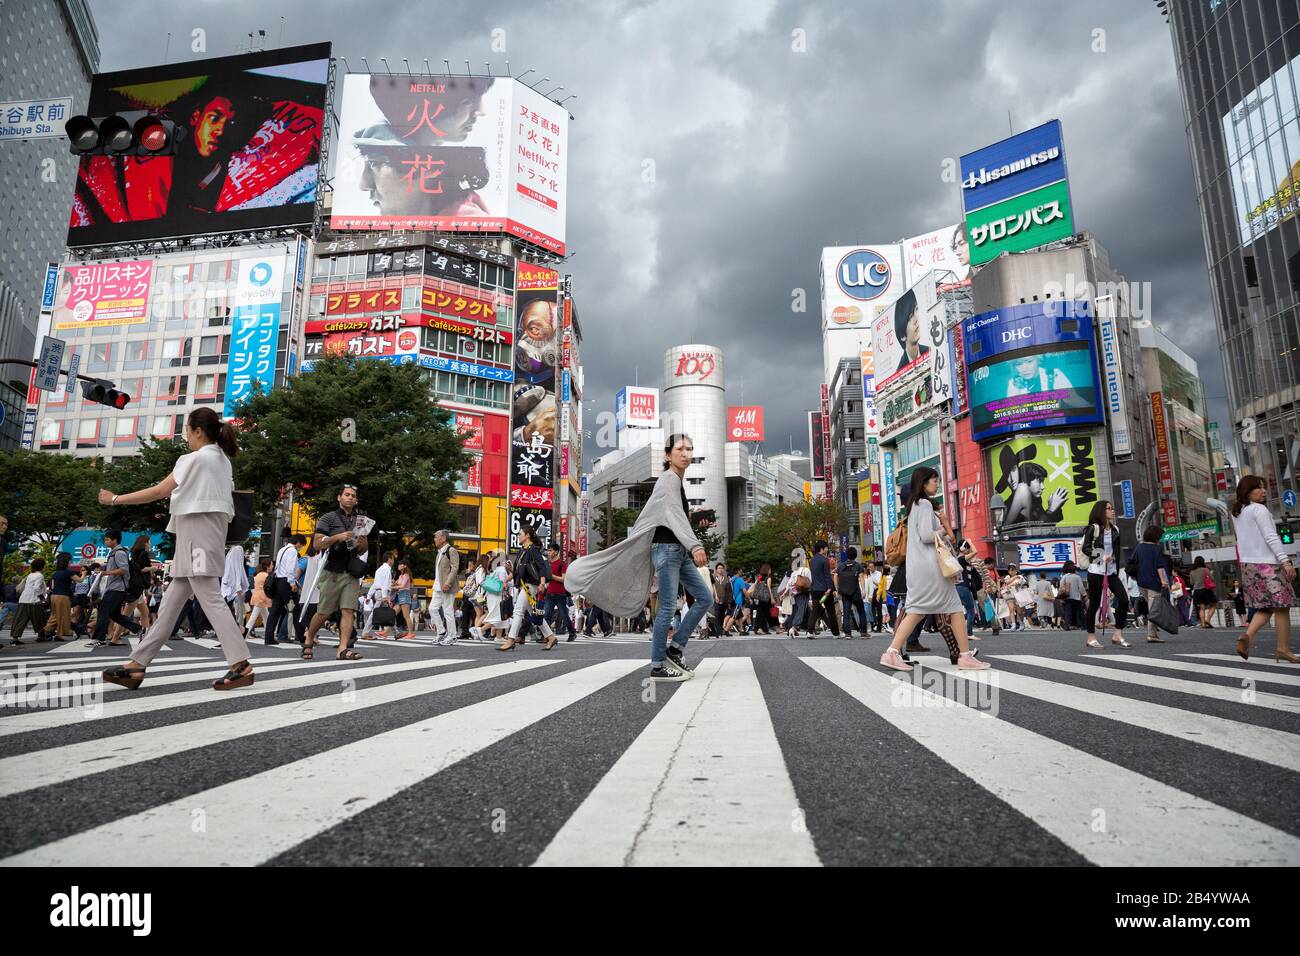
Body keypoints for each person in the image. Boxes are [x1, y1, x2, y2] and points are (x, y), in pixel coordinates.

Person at [96, 407, 255, 690]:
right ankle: (137, 664)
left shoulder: (194, 458)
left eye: (187, 433)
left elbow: (159, 491)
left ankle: (240, 663)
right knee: (171, 601)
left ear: (197, 431)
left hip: (196, 529)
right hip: (205, 529)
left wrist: (115, 499)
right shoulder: (222, 460)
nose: (186, 439)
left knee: (208, 594)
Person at [564, 433, 712, 682]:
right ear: (668, 455)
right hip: (667, 550)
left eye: (689, 449)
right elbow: (673, 515)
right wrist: (696, 545)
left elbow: (673, 517)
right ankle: (657, 665)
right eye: (680, 449)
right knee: (666, 608)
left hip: (677, 551)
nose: (686, 454)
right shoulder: (668, 479)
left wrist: (695, 520)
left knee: (705, 598)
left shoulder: (675, 481)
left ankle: (675, 649)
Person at [880, 468, 989, 671]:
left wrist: (943, 529)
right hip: (930, 568)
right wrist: (944, 527)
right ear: (924, 482)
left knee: (919, 610)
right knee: (951, 608)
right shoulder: (923, 504)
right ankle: (963, 656)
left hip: (920, 567)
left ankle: (893, 652)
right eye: (934, 480)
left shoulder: (915, 505)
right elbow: (926, 536)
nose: (937, 484)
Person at [1229, 475, 1298, 663]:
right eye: (1258, 488)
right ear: (1247, 492)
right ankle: (1282, 649)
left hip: (1248, 565)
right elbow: (1271, 536)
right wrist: (1285, 561)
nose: (1264, 491)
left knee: (1266, 607)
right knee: (1282, 608)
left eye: (1263, 487)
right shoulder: (1259, 509)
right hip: (1268, 564)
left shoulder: (1238, 513)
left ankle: (1247, 637)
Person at [303, 485, 370, 661]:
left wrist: (361, 541)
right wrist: (337, 537)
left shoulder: (360, 521)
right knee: (324, 612)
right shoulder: (328, 518)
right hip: (331, 570)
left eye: (353, 496)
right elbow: (317, 544)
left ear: (356, 500)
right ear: (339, 497)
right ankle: (309, 637)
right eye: (346, 495)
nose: (350, 498)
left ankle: (342, 648)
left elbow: (363, 550)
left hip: (351, 571)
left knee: (348, 610)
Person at [1080, 500, 1130, 650]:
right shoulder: (1094, 528)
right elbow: (1086, 548)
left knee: (1123, 600)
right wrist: (1101, 556)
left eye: (1112, 508)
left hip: (1112, 571)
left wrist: (1115, 563)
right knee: (1094, 605)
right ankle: (1091, 637)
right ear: (1101, 511)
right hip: (1096, 571)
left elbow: (1116, 550)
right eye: (1109, 508)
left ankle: (1117, 634)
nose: (1112, 511)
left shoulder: (1115, 529)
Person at [498, 524, 557, 651]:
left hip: (531, 586)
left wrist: (542, 584)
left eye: (520, 534)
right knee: (534, 613)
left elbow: (541, 566)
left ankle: (511, 639)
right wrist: (510, 570)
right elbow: (520, 571)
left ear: (527, 535)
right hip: (524, 585)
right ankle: (551, 637)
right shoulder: (522, 550)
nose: (518, 536)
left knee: (518, 611)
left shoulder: (533, 549)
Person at [89, 531, 143, 647]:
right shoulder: (114, 553)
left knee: (103, 611)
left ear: (115, 540)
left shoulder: (119, 553)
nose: (105, 542)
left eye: (108, 539)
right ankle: (139, 630)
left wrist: (106, 573)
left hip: (117, 588)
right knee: (115, 615)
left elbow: (124, 570)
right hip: (114, 588)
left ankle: (99, 638)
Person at [1133, 525, 1172, 643]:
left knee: (1153, 607)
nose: (1160, 539)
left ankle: (1153, 633)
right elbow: (1160, 566)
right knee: (1154, 609)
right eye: (1159, 536)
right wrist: (1164, 581)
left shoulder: (1139, 547)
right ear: (1155, 536)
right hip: (1153, 583)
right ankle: (1151, 635)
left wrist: (1135, 577)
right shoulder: (1156, 549)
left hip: (1141, 583)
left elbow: (1132, 563)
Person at [264, 531, 304, 646]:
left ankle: (269, 637)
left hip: (277, 582)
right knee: (296, 610)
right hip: (286, 582)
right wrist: (292, 584)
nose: (301, 547)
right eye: (301, 545)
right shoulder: (292, 551)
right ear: (297, 543)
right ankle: (302, 638)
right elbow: (290, 569)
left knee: (275, 611)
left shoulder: (282, 549)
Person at [430, 530, 461, 646]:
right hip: (438, 586)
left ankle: (452, 636)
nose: (434, 539)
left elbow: (455, 568)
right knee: (432, 609)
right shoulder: (439, 553)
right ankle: (441, 632)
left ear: (443, 539)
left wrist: (448, 583)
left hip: (447, 586)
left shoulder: (451, 550)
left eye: (436, 537)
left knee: (448, 611)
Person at [542, 543, 578, 642]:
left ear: (556, 552)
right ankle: (546, 636)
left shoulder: (562, 564)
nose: (548, 552)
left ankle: (572, 633)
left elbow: (563, 579)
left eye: (551, 550)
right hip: (549, 593)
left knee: (564, 615)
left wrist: (552, 576)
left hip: (560, 594)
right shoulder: (547, 564)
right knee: (546, 615)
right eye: (548, 550)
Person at [41, 552, 80, 641]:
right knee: (63, 615)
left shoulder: (56, 573)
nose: (71, 562)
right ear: (67, 561)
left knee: (55, 615)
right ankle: (54, 633)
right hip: (62, 596)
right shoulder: (68, 572)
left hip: (54, 596)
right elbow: (80, 580)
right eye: (70, 560)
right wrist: (85, 573)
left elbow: (53, 586)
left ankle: (46, 632)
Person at [9, 558, 49, 644]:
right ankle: (41, 636)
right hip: (34, 601)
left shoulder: (30, 575)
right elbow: (36, 588)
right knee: (39, 619)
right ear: (42, 567)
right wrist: (42, 598)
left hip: (23, 599)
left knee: (20, 619)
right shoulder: (40, 576)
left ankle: (15, 638)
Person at [362, 551, 396, 640]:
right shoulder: (387, 569)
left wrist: (369, 595)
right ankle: (365, 633)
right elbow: (385, 584)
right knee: (375, 613)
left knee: (388, 612)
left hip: (379, 592)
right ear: (389, 559)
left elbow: (375, 584)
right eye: (393, 559)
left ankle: (397, 632)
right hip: (382, 593)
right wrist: (385, 596)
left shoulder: (379, 569)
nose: (393, 561)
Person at [836, 546, 868, 638]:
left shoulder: (841, 565)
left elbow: (835, 576)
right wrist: (863, 590)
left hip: (845, 592)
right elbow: (861, 577)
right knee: (861, 611)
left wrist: (837, 588)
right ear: (855, 555)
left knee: (846, 612)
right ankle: (863, 632)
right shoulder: (858, 565)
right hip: (856, 591)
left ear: (847, 555)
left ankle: (848, 634)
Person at [221, 540, 249, 631]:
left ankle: (239, 630)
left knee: (226, 613)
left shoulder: (237, 549)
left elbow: (238, 568)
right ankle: (239, 631)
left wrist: (238, 586)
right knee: (227, 612)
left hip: (230, 587)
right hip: (228, 586)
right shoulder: (232, 550)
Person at [244, 557, 273, 639]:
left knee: (266, 616)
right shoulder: (266, 575)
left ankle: (269, 635)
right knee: (253, 618)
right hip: (262, 598)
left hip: (257, 597)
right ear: (268, 566)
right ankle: (244, 634)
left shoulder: (258, 574)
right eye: (272, 564)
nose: (272, 566)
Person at [786, 560, 814, 638]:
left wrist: (792, 592)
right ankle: (793, 627)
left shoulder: (794, 572)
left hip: (796, 594)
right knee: (801, 610)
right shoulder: (806, 570)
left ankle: (810, 629)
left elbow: (789, 584)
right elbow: (811, 581)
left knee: (807, 611)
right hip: (804, 593)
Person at [747, 564, 776, 634]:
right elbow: (769, 588)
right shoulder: (768, 578)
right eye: (769, 569)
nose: (770, 571)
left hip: (760, 598)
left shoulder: (759, 578)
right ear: (767, 570)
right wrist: (772, 598)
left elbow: (755, 585)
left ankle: (761, 629)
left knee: (760, 613)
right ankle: (760, 629)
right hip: (766, 598)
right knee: (765, 614)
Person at [1190, 556, 1218, 628]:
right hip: (1206, 590)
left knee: (1202, 608)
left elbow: (1192, 582)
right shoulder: (1205, 569)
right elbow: (1212, 579)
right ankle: (1208, 620)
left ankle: (1202, 624)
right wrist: (1211, 573)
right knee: (1213, 605)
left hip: (1197, 591)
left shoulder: (1192, 571)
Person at [392, 560, 417, 639]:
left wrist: (393, 587)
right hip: (400, 596)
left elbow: (402, 586)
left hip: (405, 595)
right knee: (392, 613)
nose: (399, 565)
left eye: (400, 564)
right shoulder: (400, 576)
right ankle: (385, 631)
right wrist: (393, 584)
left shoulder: (406, 575)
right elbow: (397, 585)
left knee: (406, 616)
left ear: (405, 566)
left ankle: (410, 633)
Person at [1058, 561, 1085, 631]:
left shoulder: (1064, 577)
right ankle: (1084, 626)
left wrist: (1061, 594)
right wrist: (1084, 594)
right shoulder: (1077, 577)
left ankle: (1066, 625)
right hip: (1077, 597)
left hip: (1068, 597)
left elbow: (1061, 586)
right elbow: (1081, 587)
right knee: (1080, 612)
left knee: (1068, 612)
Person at [1001, 564, 1028, 631]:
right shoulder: (1007, 577)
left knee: (1019, 612)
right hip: (1009, 595)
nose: (1012, 572)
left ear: (1016, 571)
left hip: (1018, 595)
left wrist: (1013, 583)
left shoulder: (1020, 576)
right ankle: (1013, 625)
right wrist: (1015, 577)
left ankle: (1021, 624)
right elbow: (1007, 581)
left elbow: (1020, 583)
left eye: (1013, 570)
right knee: (1011, 609)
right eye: (1010, 571)